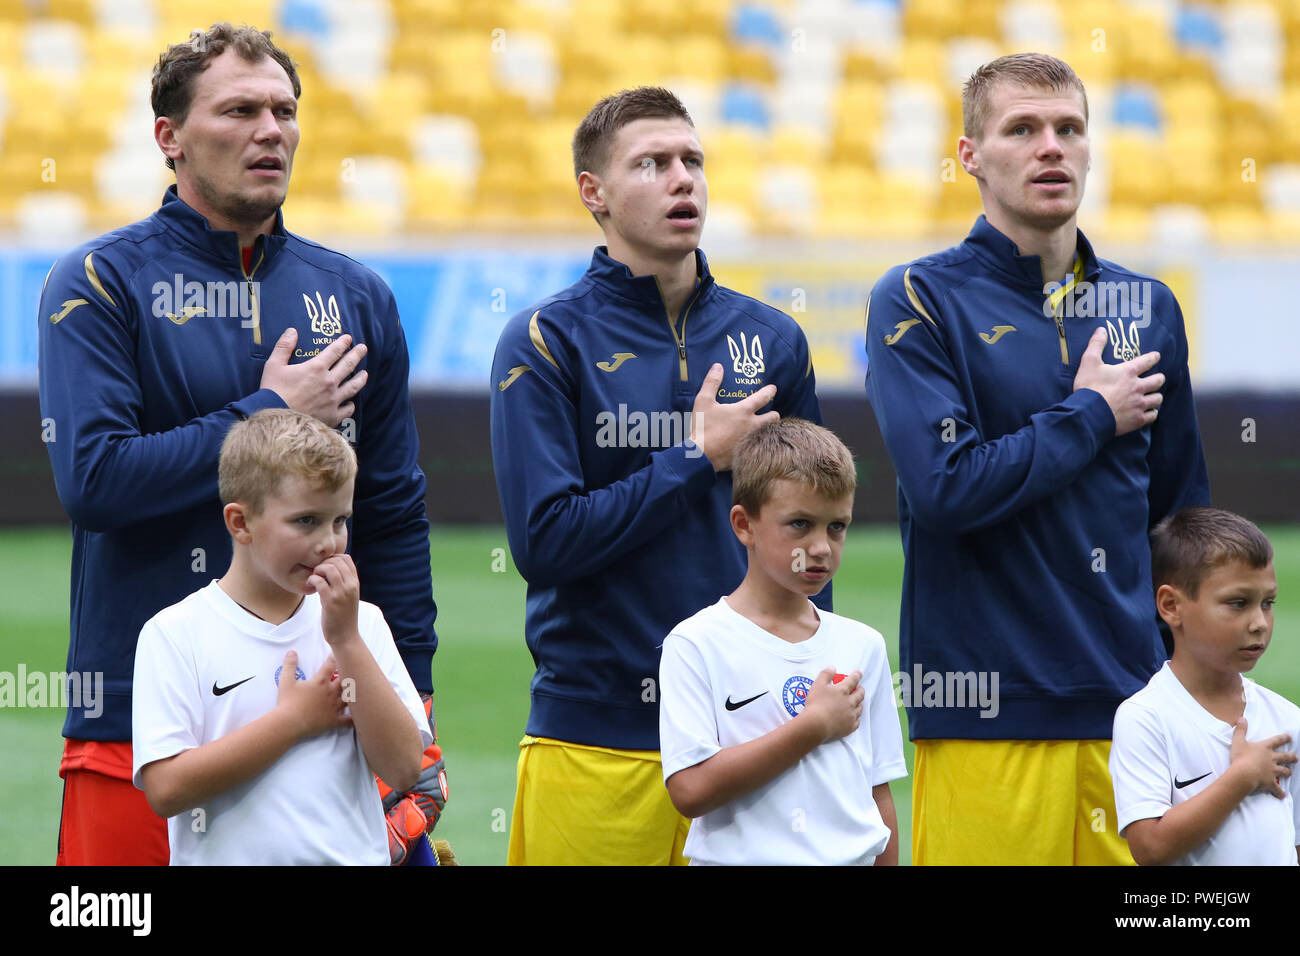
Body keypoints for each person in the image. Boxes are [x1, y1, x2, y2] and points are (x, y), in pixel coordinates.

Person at [38, 23, 445, 866]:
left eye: (284, 110)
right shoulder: (99, 282)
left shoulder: (356, 294)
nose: (271, 131)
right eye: (239, 110)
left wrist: (416, 694)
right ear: (170, 138)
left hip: (328, 718)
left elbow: (395, 511)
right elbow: (96, 480)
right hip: (135, 725)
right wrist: (264, 408)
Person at [863, 52, 1211, 865]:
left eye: (1069, 129)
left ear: (1090, 150)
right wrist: (1091, 414)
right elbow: (946, 489)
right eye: (1021, 129)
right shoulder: (917, 298)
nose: (1050, 147)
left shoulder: (1147, 305)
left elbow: (1181, 517)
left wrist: (1195, 693)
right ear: (971, 156)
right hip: (987, 714)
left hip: (1137, 719)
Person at [490, 87, 825, 865]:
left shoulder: (773, 339)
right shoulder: (544, 341)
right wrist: (693, 457)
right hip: (597, 738)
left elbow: (813, 551)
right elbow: (544, 542)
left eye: (692, 161)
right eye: (652, 163)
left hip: (753, 739)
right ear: (593, 193)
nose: (683, 179)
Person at [132, 409, 429, 865]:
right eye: (306, 520)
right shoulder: (175, 634)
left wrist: (346, 641)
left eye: (339, 520)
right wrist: (293, 721)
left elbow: (406, 767)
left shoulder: (361, 624)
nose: (329, 542)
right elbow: (166, 789)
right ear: (240, 523)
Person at [658, 419, 906, 865]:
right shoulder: (696, 643)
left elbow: (877, 794)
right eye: (800, 524)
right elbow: (690, 790)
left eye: (836, 527)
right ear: (743, 525)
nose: (821, 547)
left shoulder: (863, 645)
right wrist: (812, 727)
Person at [1111, 507, 1298, 865]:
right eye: (1238, 603)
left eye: (1268, 603)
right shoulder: (1144, 718)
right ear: (1171, 606)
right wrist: (1241, 778)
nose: (1260, 623)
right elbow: (1150, 848)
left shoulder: (1287, 719)